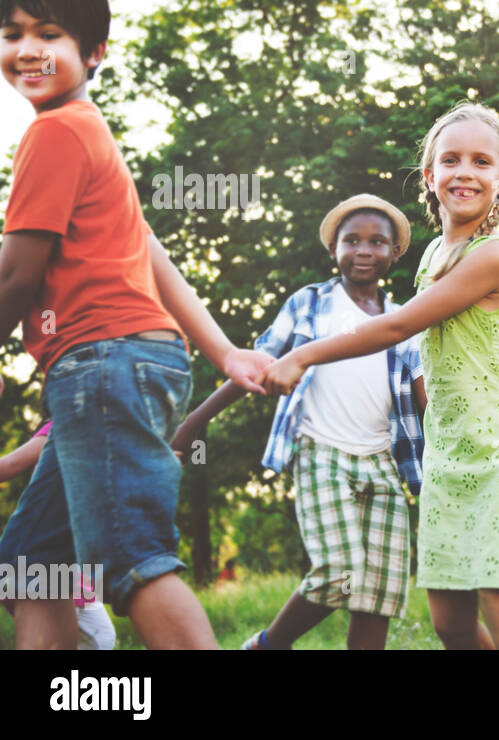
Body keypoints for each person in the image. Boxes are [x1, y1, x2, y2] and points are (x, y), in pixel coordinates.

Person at [0, 0, 271, 649]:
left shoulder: (57, 132)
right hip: (128, 361)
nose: (28, 49)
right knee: (32, 562)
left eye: (50, 34)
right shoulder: (91, 138)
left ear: (94, 53)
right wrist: (226, 351)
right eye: (13, 34)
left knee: (128, 555)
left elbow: (17, 276)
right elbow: (156, 257)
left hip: (104, 362)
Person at [262, 102, 499, 649]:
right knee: (450, 623)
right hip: (448, 453)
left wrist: (305, 354)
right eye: (451, 160)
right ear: (429, 177)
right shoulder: (436, 251)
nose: (465, 172)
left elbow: (398, 326)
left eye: (482, 162)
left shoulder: (497, 252)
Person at [172, 195, 485, 650]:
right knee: (336, 572)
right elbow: (257, 364)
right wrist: (195, 422)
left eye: (377, 242)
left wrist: (461, 455)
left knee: (378, 591)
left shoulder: (405, 320)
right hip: (320, 451)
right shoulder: (311, 303)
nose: (363, 250)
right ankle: (267, 645)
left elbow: (427, 402)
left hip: (384, 462)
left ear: (395, 253)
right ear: (333, 249)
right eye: (351, 240)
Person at [0, 412, 116, 650]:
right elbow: (7, 466)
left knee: (99, 638)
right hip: (40, 554)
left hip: (64, 557)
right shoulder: (61, 427)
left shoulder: (107, 433)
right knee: (98, 638)